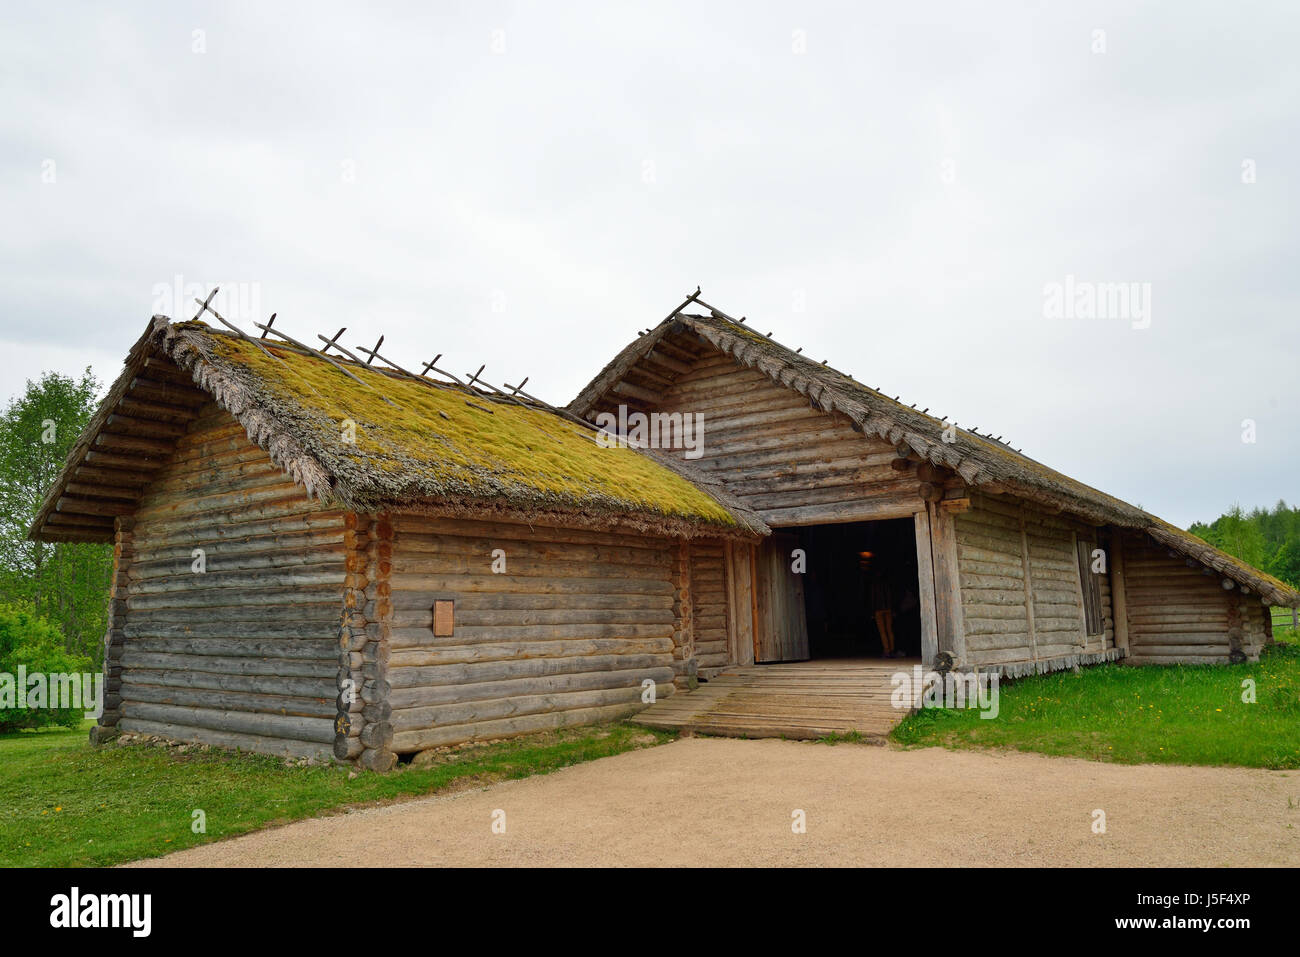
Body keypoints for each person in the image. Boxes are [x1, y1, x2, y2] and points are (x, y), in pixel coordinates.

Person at [871, 571, 900, 658]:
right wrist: (894, 609)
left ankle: (887, 650)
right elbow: (893, 597)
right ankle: (891, 650)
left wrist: (872, 611)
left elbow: (873, 598)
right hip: (888, 609)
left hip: (879, 609)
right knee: (889, 630)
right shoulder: (888, 584)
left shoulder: (874, 585)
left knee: (883, 631)